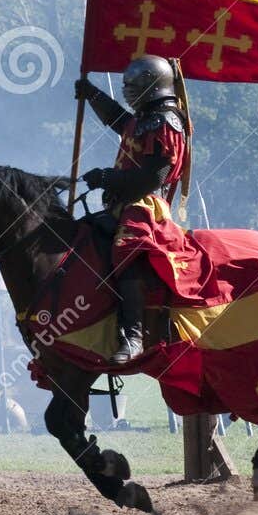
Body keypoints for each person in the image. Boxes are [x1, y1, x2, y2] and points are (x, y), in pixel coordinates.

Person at [75, 55, 191, 365]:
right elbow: (119, 120)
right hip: (124, 203)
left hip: (147, 205)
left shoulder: (167, 121)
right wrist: (92, 93)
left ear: (150, 86)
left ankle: (133, 335)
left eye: (132, 85)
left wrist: (106, 177)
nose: (127, 90)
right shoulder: (145, 118)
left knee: (128, 246)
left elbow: (151, 178)